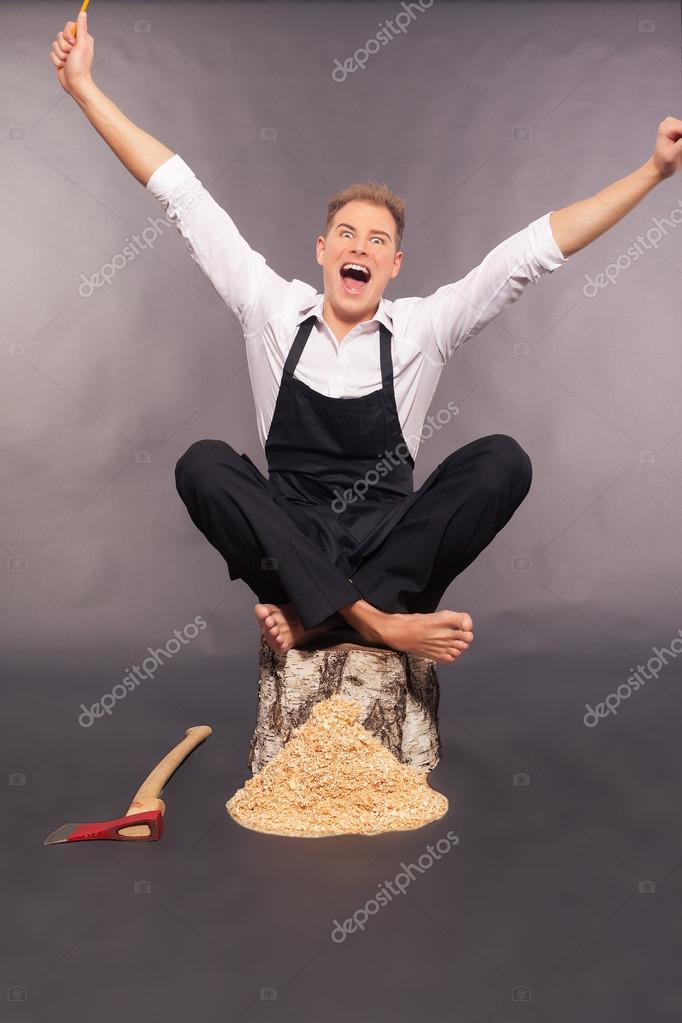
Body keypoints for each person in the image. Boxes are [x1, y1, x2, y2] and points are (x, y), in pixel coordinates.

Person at [50, 11, 682, 663]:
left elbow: (532, 251)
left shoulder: (423, 328)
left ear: (394, 264)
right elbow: (181, 195)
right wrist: (84, 88)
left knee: (504, 460)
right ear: (322, 250)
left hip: (392, 552)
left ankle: (321, 619)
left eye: (378, 240)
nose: (360, 247)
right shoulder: (270, 307)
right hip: (292, 547)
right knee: (202, 463)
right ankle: (374, 622)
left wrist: (653, 172)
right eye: (347, 235)